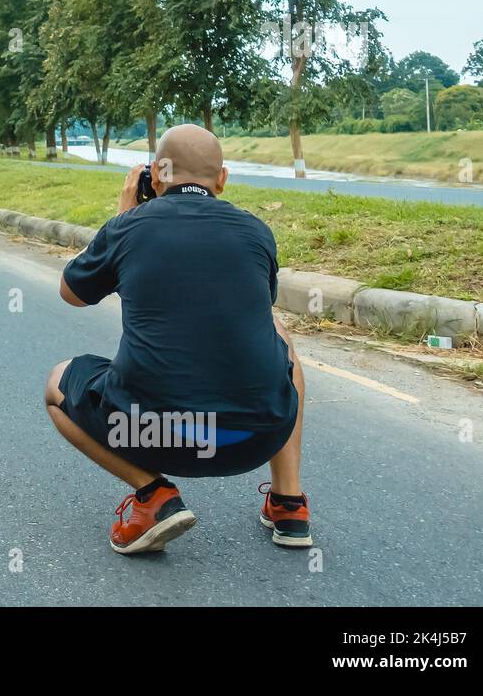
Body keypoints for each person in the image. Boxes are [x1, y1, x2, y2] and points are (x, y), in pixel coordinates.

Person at [45, 124, 309, 555]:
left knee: (56, 384)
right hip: (255, 437)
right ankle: (288, 504)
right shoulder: (256, 232)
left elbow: (72, 294)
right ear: (222, 179)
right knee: (277, 331)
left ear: (157, 176)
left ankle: (154, 496)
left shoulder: (128, 228)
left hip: (152, 436)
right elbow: (256, 310)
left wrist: (123, 216)